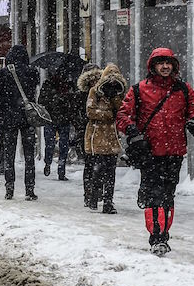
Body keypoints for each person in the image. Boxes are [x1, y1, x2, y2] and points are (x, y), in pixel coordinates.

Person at [116, 47, 194, 256]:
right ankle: (157, 238)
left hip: (174, 152)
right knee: (156, 195)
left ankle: (163, 232)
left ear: (174, 66)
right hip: (149, 152)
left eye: (169, 63)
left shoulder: (183, 89)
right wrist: (133, 132)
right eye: (161, 63)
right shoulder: (139, 90)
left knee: (168, 195)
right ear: (153, 66)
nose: (165, 67)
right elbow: (123, 115)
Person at [0, 45, 41, 201]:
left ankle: (9, 188)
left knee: (9, 153)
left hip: (9, 118)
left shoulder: (3, 74)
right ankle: (29, 189)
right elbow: (33, 95)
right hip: (27, 117)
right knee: (29, 155)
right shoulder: (32, 72)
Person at [82, 64, 128, 214]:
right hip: (98, 137)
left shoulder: (120, 94)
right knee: (98, 169)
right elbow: (90, 111)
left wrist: (115, 98)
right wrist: (108, 114)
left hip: (112, 138)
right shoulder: (94, 91)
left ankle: (108, 201)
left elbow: (122, 111)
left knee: (110, 172)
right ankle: (94, 196)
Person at [38, 66, 83, 181]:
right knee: (54, 144)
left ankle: (59, 168)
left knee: (59, 145)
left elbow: (74, 102)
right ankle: (51, 164)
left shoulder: (67, 86)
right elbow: (41, 101)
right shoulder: (50, 85)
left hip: (60, 119)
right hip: (55, 118)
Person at [76, 63, 103, 207]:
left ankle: (92, 192)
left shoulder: (81, 94)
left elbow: (76, 115)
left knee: (92, 164)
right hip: (92, 132)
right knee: (95, 164)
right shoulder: (100, 92)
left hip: (90, 132)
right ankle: (94, 192)